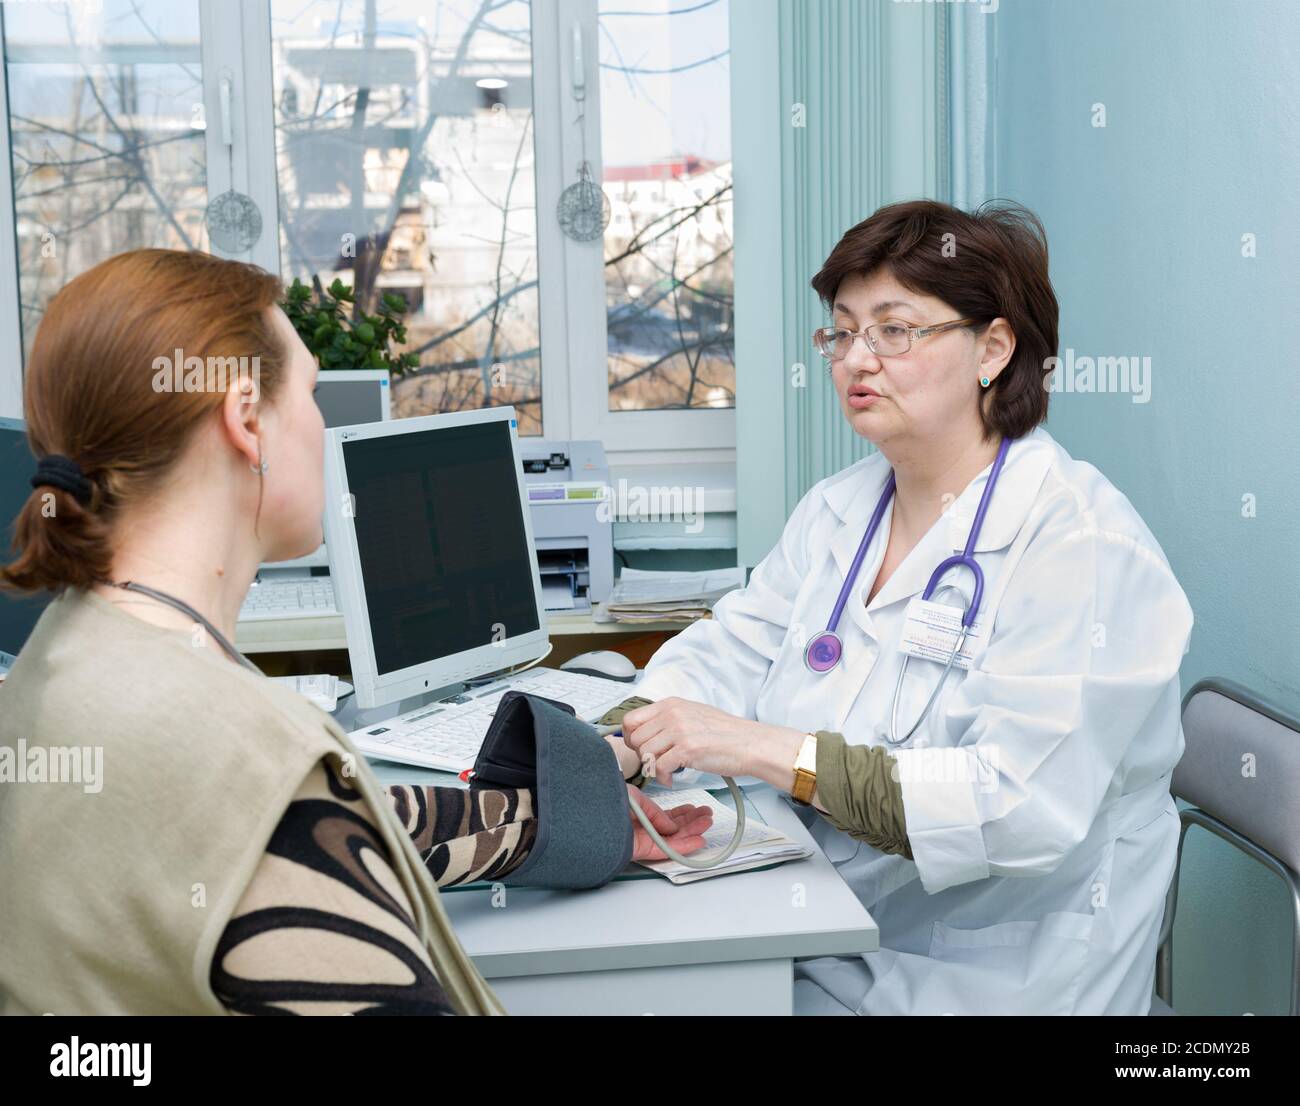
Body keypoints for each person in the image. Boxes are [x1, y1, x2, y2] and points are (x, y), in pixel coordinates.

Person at [0, 248, 711, 1016]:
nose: (320, 423)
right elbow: (292, 826)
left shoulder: (68, 659)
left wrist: (576, 818)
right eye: (308, 391)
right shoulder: (237, 755)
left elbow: (350, 829)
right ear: (246, 422)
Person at [620, 199, 1194, 1015]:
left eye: (896, 329)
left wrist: (769, 750)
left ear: (993, 348)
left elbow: (1014, 808)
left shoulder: (1083, 547)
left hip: (994, 979)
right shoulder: (841, 509)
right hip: (827, 929)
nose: (858, 358)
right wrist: (632, 741)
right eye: (842, 331)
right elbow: (730, 650)